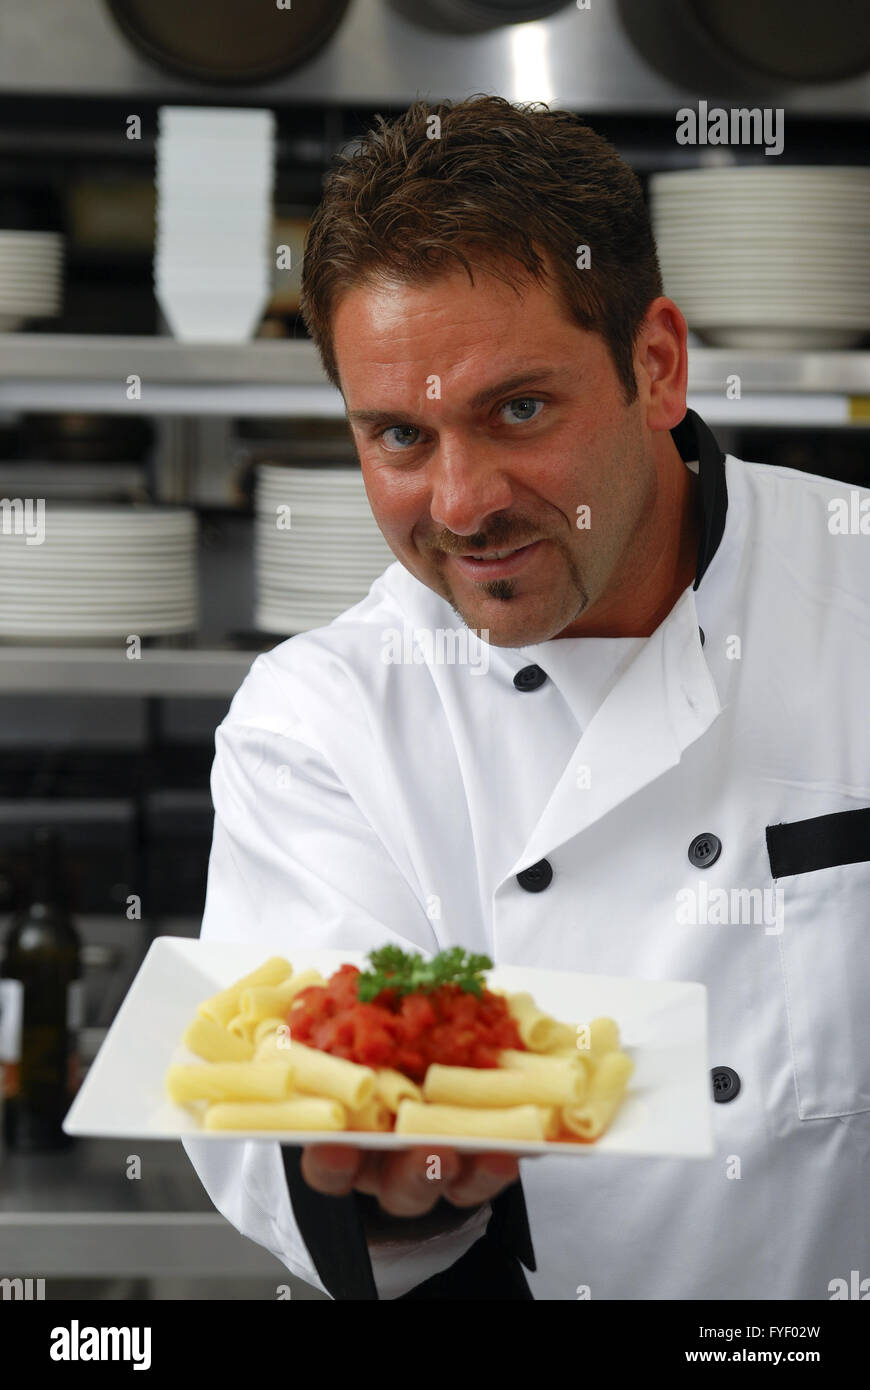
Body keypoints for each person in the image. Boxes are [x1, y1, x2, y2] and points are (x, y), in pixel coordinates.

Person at [182, 95, 870, 1300]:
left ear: (655, 365)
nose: (460, 503)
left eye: (518, 410)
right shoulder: (321, 722)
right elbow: (288, 1118)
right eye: (400, 434)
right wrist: (387, 1189)